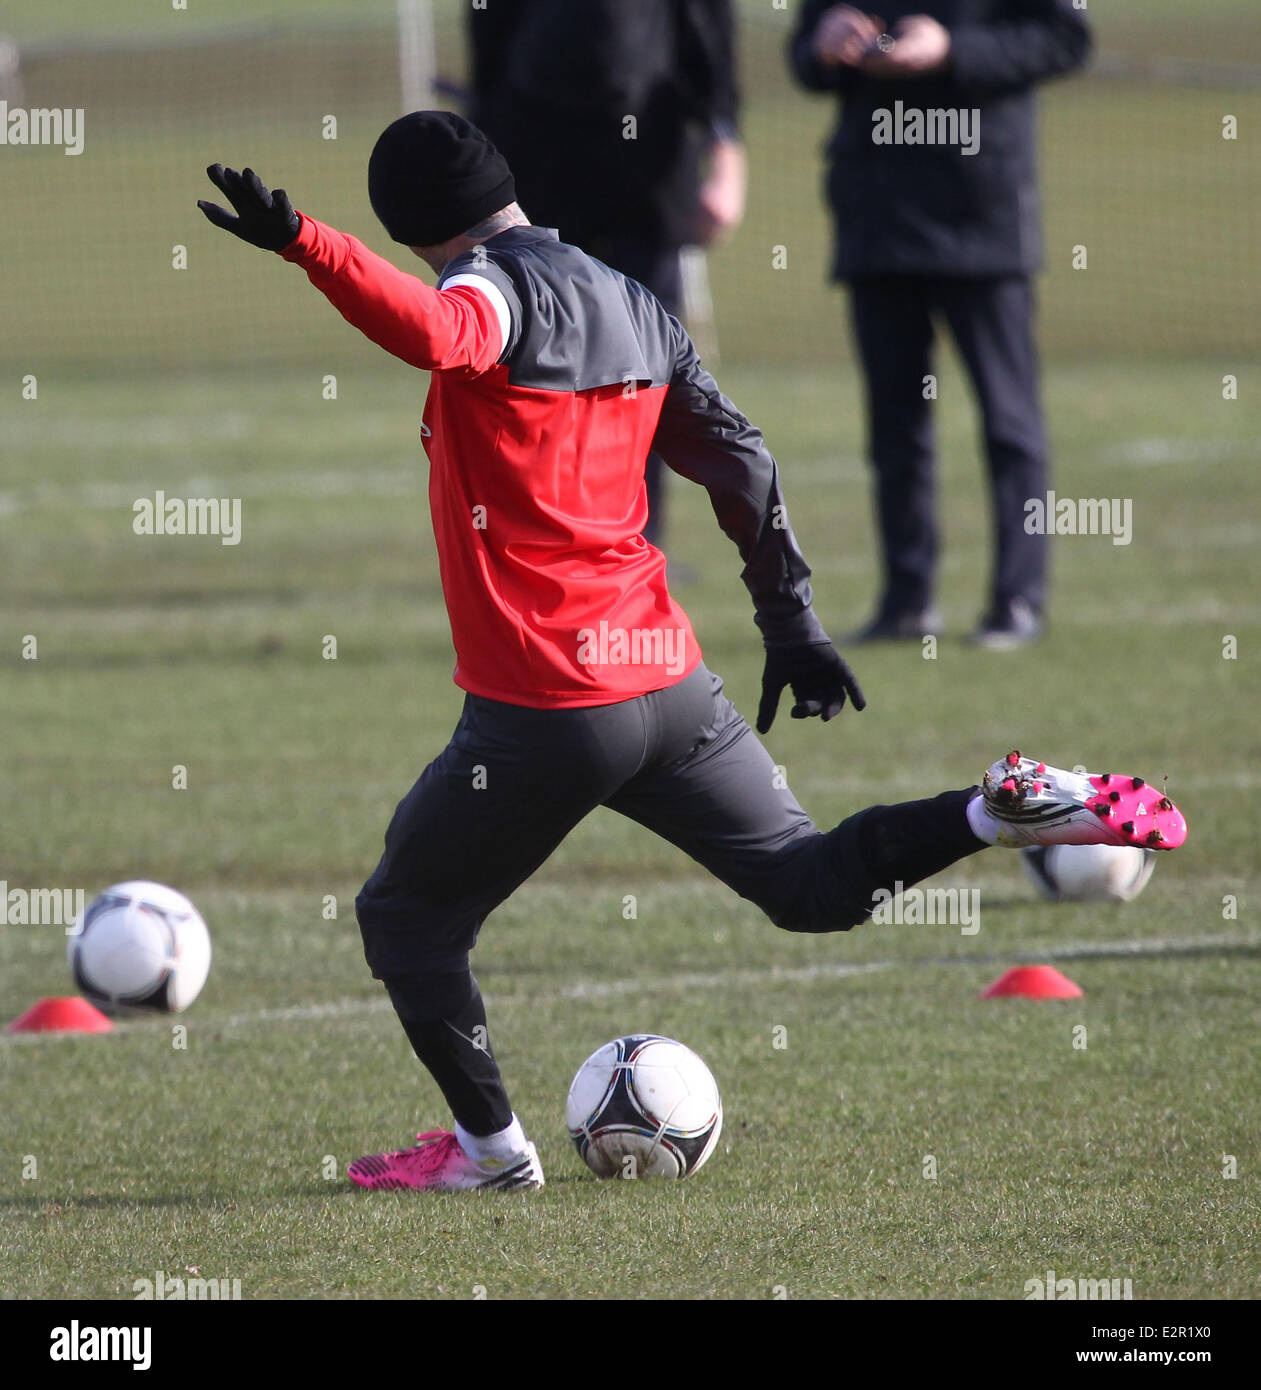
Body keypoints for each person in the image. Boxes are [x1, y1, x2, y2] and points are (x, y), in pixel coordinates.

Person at [196, 112, 1183, 1193]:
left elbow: (443, 335)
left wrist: (309, 246)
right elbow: (739, 459)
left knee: (406, 914)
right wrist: (789, 620)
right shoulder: (632, 298)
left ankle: (491, 1156)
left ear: (409, 224)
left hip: (550, 702)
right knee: (811, 883)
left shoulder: (489, 290)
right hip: (664, 679)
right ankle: (990, 812)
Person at [789, 2, 1092, 648]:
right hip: (875, 211)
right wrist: (825, 42)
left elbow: (1064, 37)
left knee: (1009, 422)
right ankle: (906, 600)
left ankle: (1017, 601)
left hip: (979, 208)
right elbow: (802, 61)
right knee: (894, 426)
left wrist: (952, 47)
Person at [467, 0, 747, 548]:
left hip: (648, 169)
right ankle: (540, 542)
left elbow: (709, 40)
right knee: (536, 367)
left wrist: (726, 160)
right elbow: (489, 43)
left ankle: (635, 543)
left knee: (641, 369)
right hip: (538, 167)